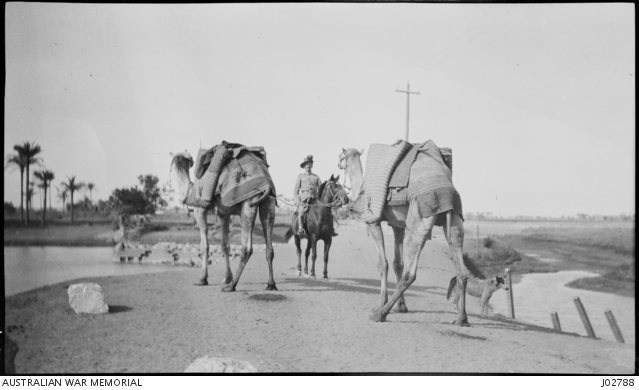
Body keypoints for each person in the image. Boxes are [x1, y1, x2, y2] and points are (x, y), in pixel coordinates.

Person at [293, 155, 322, 238]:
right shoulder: (300, 176)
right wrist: (297, 202)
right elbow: (296, 191)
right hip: (304, 199)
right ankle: (300, 229)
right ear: (304, 166)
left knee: (323, 211)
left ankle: (327, 229)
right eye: (306, 164)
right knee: (301, 212)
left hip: (314, 199)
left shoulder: (316, 177)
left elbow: (321, 190)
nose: (308, 165)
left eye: (310, 164)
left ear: (312, 165)